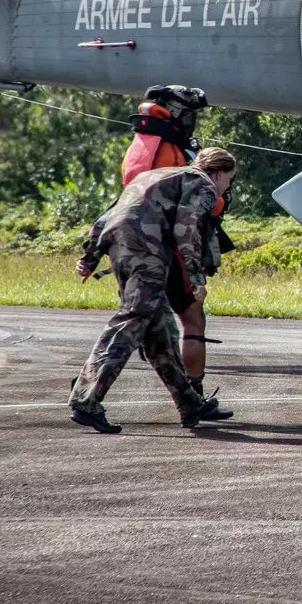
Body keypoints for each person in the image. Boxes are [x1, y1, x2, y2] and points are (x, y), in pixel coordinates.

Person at [70, 148, 237, 434]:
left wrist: (90, 258)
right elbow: (187, 229)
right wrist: (196, 277)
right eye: (229, 181)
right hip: (147, 252)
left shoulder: (155, 175)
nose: (226, 188)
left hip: (120, 248)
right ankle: (86, 399)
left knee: (162, 333)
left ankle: (190, 404)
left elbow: (106, 216)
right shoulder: (202, 184)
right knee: (131, 322)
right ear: (219, 173)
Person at [119, 84, 229, 411]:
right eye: (190, 112)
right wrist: (217, 202)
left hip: (139, 248)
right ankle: (194, 396)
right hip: (168, 251)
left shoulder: (147, 146)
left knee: (136, 324)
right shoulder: (168, 150)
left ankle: (92, 381)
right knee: (190, 323)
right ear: (177, 111)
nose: (193, 119)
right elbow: (183, 211)